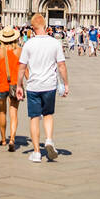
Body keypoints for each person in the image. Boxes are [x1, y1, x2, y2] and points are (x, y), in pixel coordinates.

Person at [16, 14, 69, 163]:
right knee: (48, 115)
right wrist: (66, 84)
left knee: (34, 118)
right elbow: (62, 66)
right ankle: (49, 141)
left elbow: (21, 68)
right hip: (50, 85)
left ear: (32, 28)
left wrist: (19, 85)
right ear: (45, 26)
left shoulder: (28, 44)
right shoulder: (55, 43)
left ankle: (37, 152)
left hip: (33, 85)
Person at [0, 26, 23, 150]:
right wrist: (29, 81)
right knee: (13, 113)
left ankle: (3, 140)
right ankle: (12, 139)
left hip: (1, 84)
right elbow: (24, 69)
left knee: (2, 112)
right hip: (15, 84)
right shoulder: (19, 51)